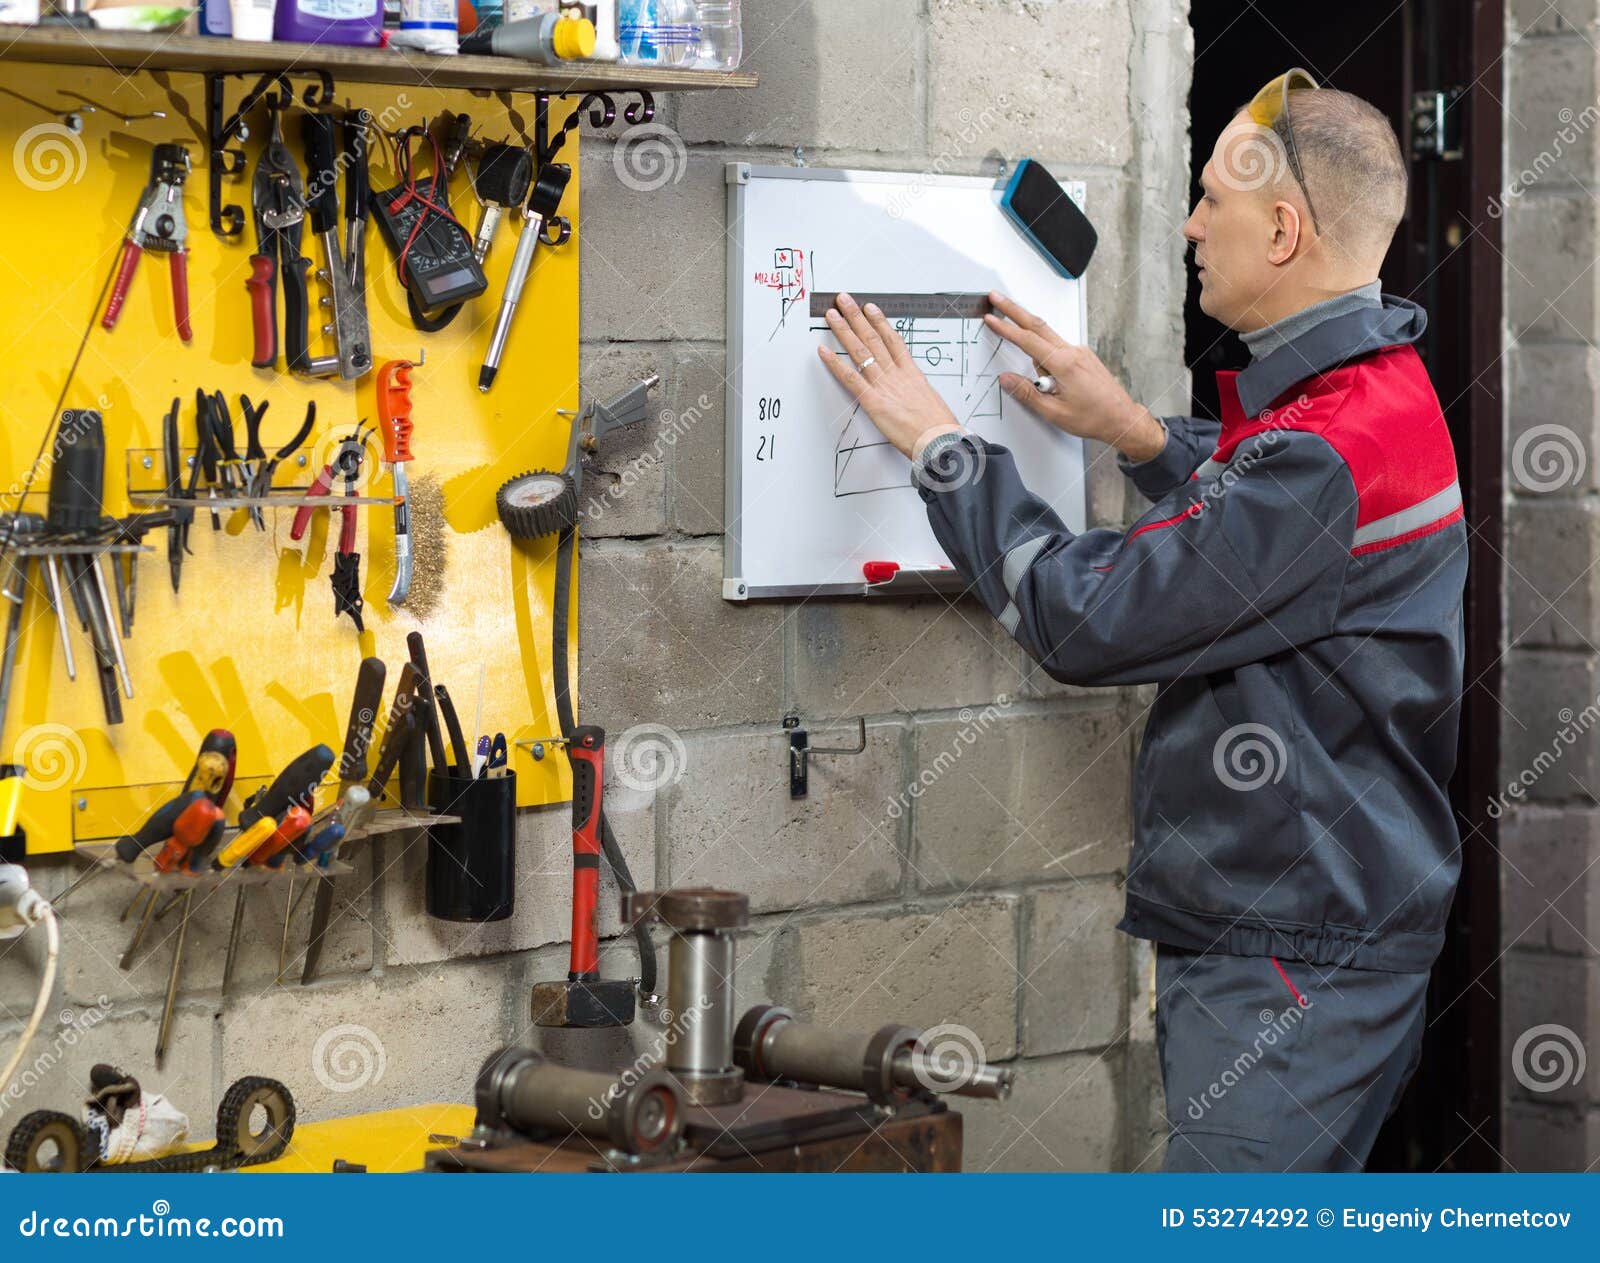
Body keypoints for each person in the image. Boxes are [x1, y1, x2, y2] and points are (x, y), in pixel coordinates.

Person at [817, 70, 1465, 1172]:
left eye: (1210, 200)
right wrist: (1137, 434)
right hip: (1326, 926)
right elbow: (1270, 532)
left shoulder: (1322, 450)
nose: (1187, 224)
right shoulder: (1377, 393)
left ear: (1281, 228)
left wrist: (942, 448)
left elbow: (1085, 620)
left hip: (1291, 952)